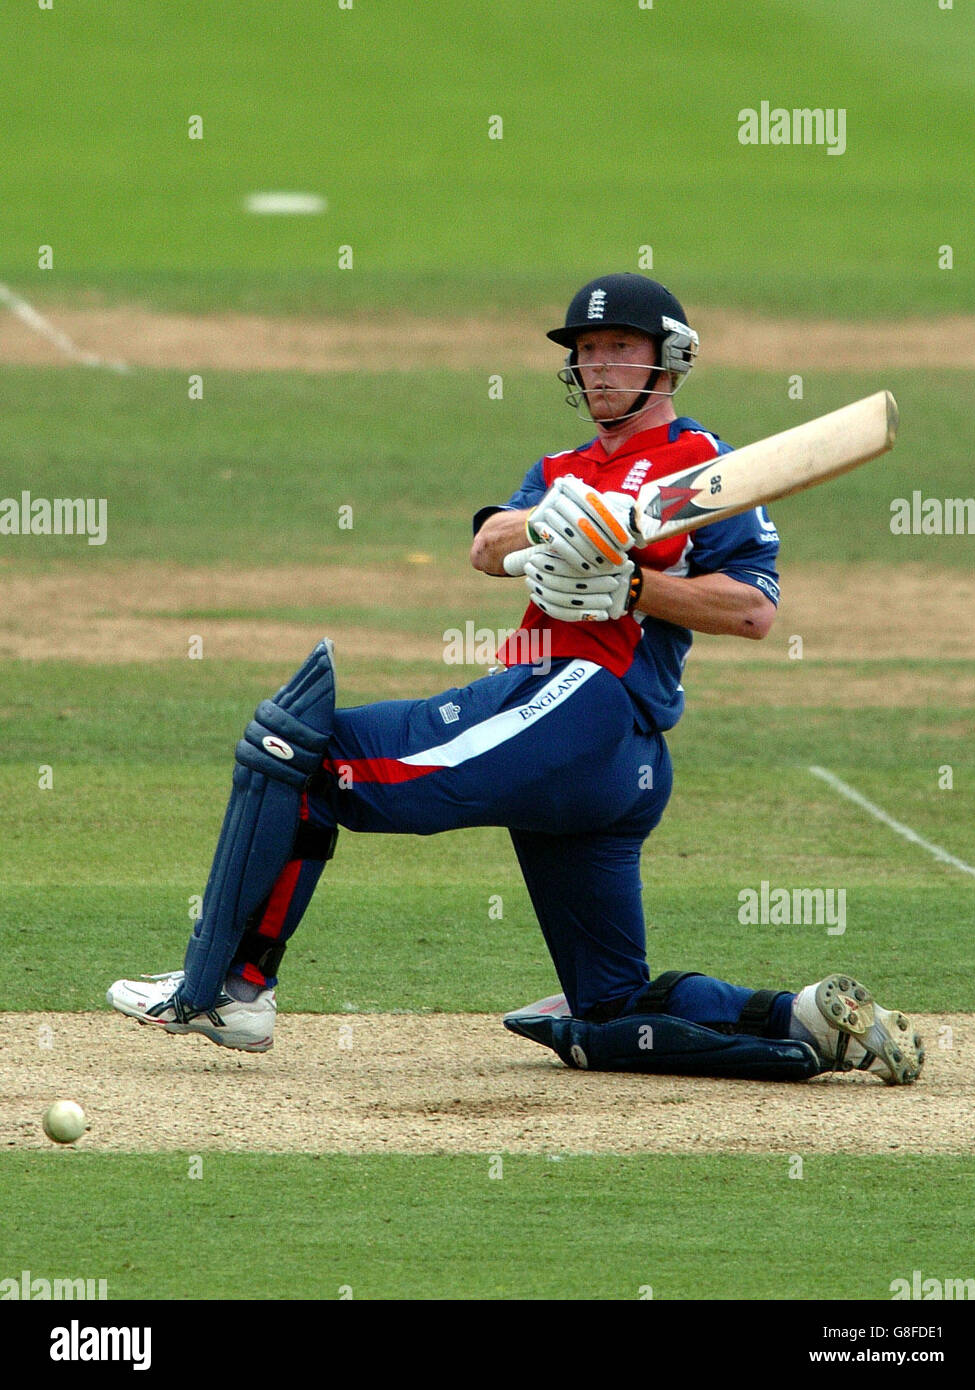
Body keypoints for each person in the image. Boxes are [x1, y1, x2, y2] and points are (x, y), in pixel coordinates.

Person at [108, 272, 924, 1085]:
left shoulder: (704, 464)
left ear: (668, 360)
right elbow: (485, 547)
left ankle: (229, 986)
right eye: (587, 351)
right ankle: (803, 1019)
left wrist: (635, 586)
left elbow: (752, 610)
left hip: (586, 705)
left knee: (301, 752)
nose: (598, 366)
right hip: (603, 769)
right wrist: (543, 522)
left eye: (619, 349)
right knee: (608, 1008)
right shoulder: (562, 467)